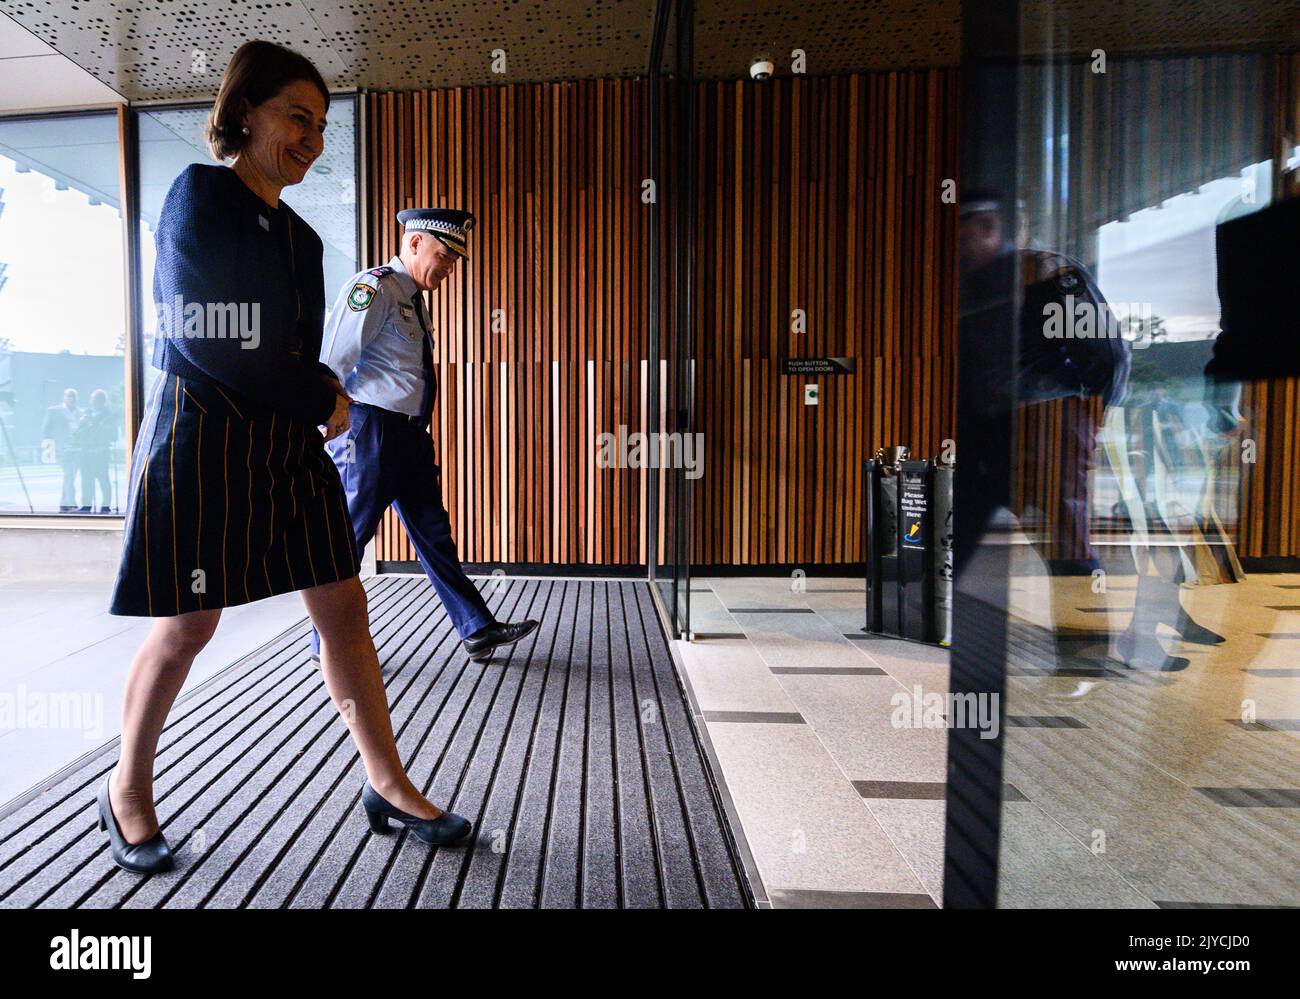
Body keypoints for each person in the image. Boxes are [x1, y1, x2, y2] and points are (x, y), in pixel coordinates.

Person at [102, 40, 472, 876]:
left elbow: (292, 346)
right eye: (295, 117)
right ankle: (126, 790)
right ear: (245, 113)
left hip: (285, 443)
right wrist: (325, 399)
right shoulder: (199, 196)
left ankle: (388, 781)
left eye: (320, 123)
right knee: (189, 624)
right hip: (202, 435)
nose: (311, 137)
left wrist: (314, 399)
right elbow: (207, 337)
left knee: (344, 604)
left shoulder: (302, 239)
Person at [315, 208, 539, 663]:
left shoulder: (413, 298)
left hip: (408, 436)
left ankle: (476, 627)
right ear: (414, 243)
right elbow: (336, 355)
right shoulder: (374, 287)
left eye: (455, 261)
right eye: (443, 256)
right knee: (348, 539)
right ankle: (326, 646)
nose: (449, 268)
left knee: (434, 533)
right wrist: (324, 418)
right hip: (371, 433)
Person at [41, 387, 81, 511]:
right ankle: (71, 503)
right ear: (64, 397)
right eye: (69, 396)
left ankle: (64, 503)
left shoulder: (80, 412)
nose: (71, 398)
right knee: (69, 474)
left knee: (71, 475)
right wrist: (50, 448)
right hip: (63, 449)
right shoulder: (54, 411)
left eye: (73, 396)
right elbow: (46, 430)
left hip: (78, 448)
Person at [75, 388, 114, 512]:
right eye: (92, 399)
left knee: (103, 479)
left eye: (97, 399)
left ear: (102, 401)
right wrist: (82, 423)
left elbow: (113, 435)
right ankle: (86, 505)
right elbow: (77, 434)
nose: (93, 401)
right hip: (86, 452)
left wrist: (99, 426)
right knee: (86, 480)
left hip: (101, 452)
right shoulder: (86, 414)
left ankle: (105, 506)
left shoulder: (109, 415)